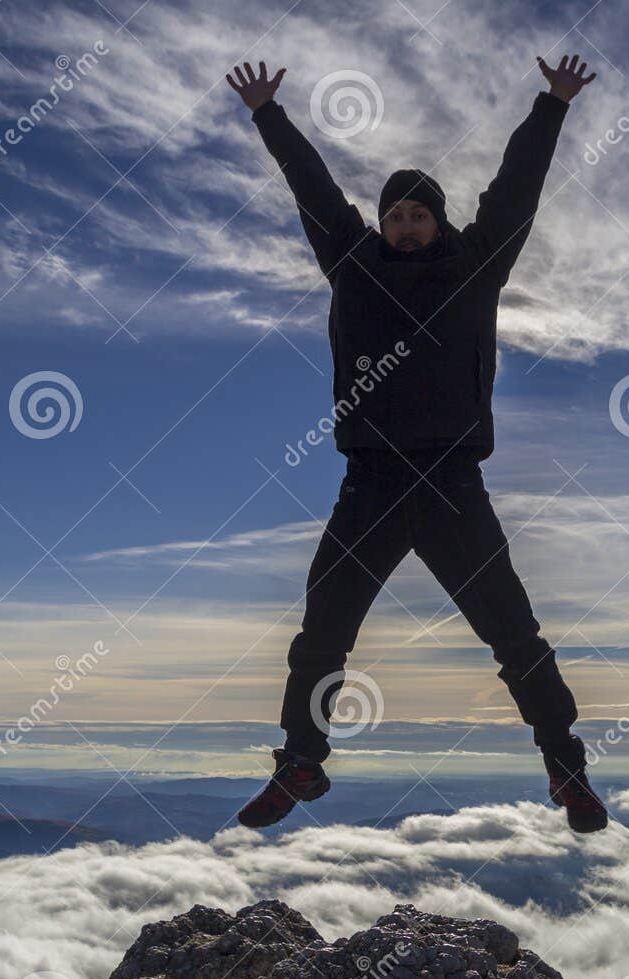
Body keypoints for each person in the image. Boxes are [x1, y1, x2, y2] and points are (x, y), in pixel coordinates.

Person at [225, 54, 608, 833]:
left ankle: (567, 770)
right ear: (382, 223)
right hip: (369, 484)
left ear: (438, 222)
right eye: (395, 215)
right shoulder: (351, 262)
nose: (405, 226)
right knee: (322, 635)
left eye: (418, 215)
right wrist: (268, 115)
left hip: (451, 485)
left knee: (515, 635)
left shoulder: (478, 265)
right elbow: (313, 189)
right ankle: (301, 763)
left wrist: (553, 105)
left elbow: (515, 190)